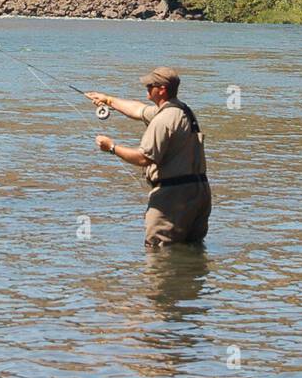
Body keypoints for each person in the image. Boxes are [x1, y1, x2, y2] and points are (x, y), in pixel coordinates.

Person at [85, 67, 212, 248]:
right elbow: (138, 110)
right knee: (192, 249)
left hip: (172, 198)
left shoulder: (163, 120)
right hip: (199, 194)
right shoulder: (182, 111)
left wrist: (111, 147)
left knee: (158, 255)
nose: (146, 88)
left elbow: (144, 158)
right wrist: (108, 100)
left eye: (149, 85)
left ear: (161, 89)